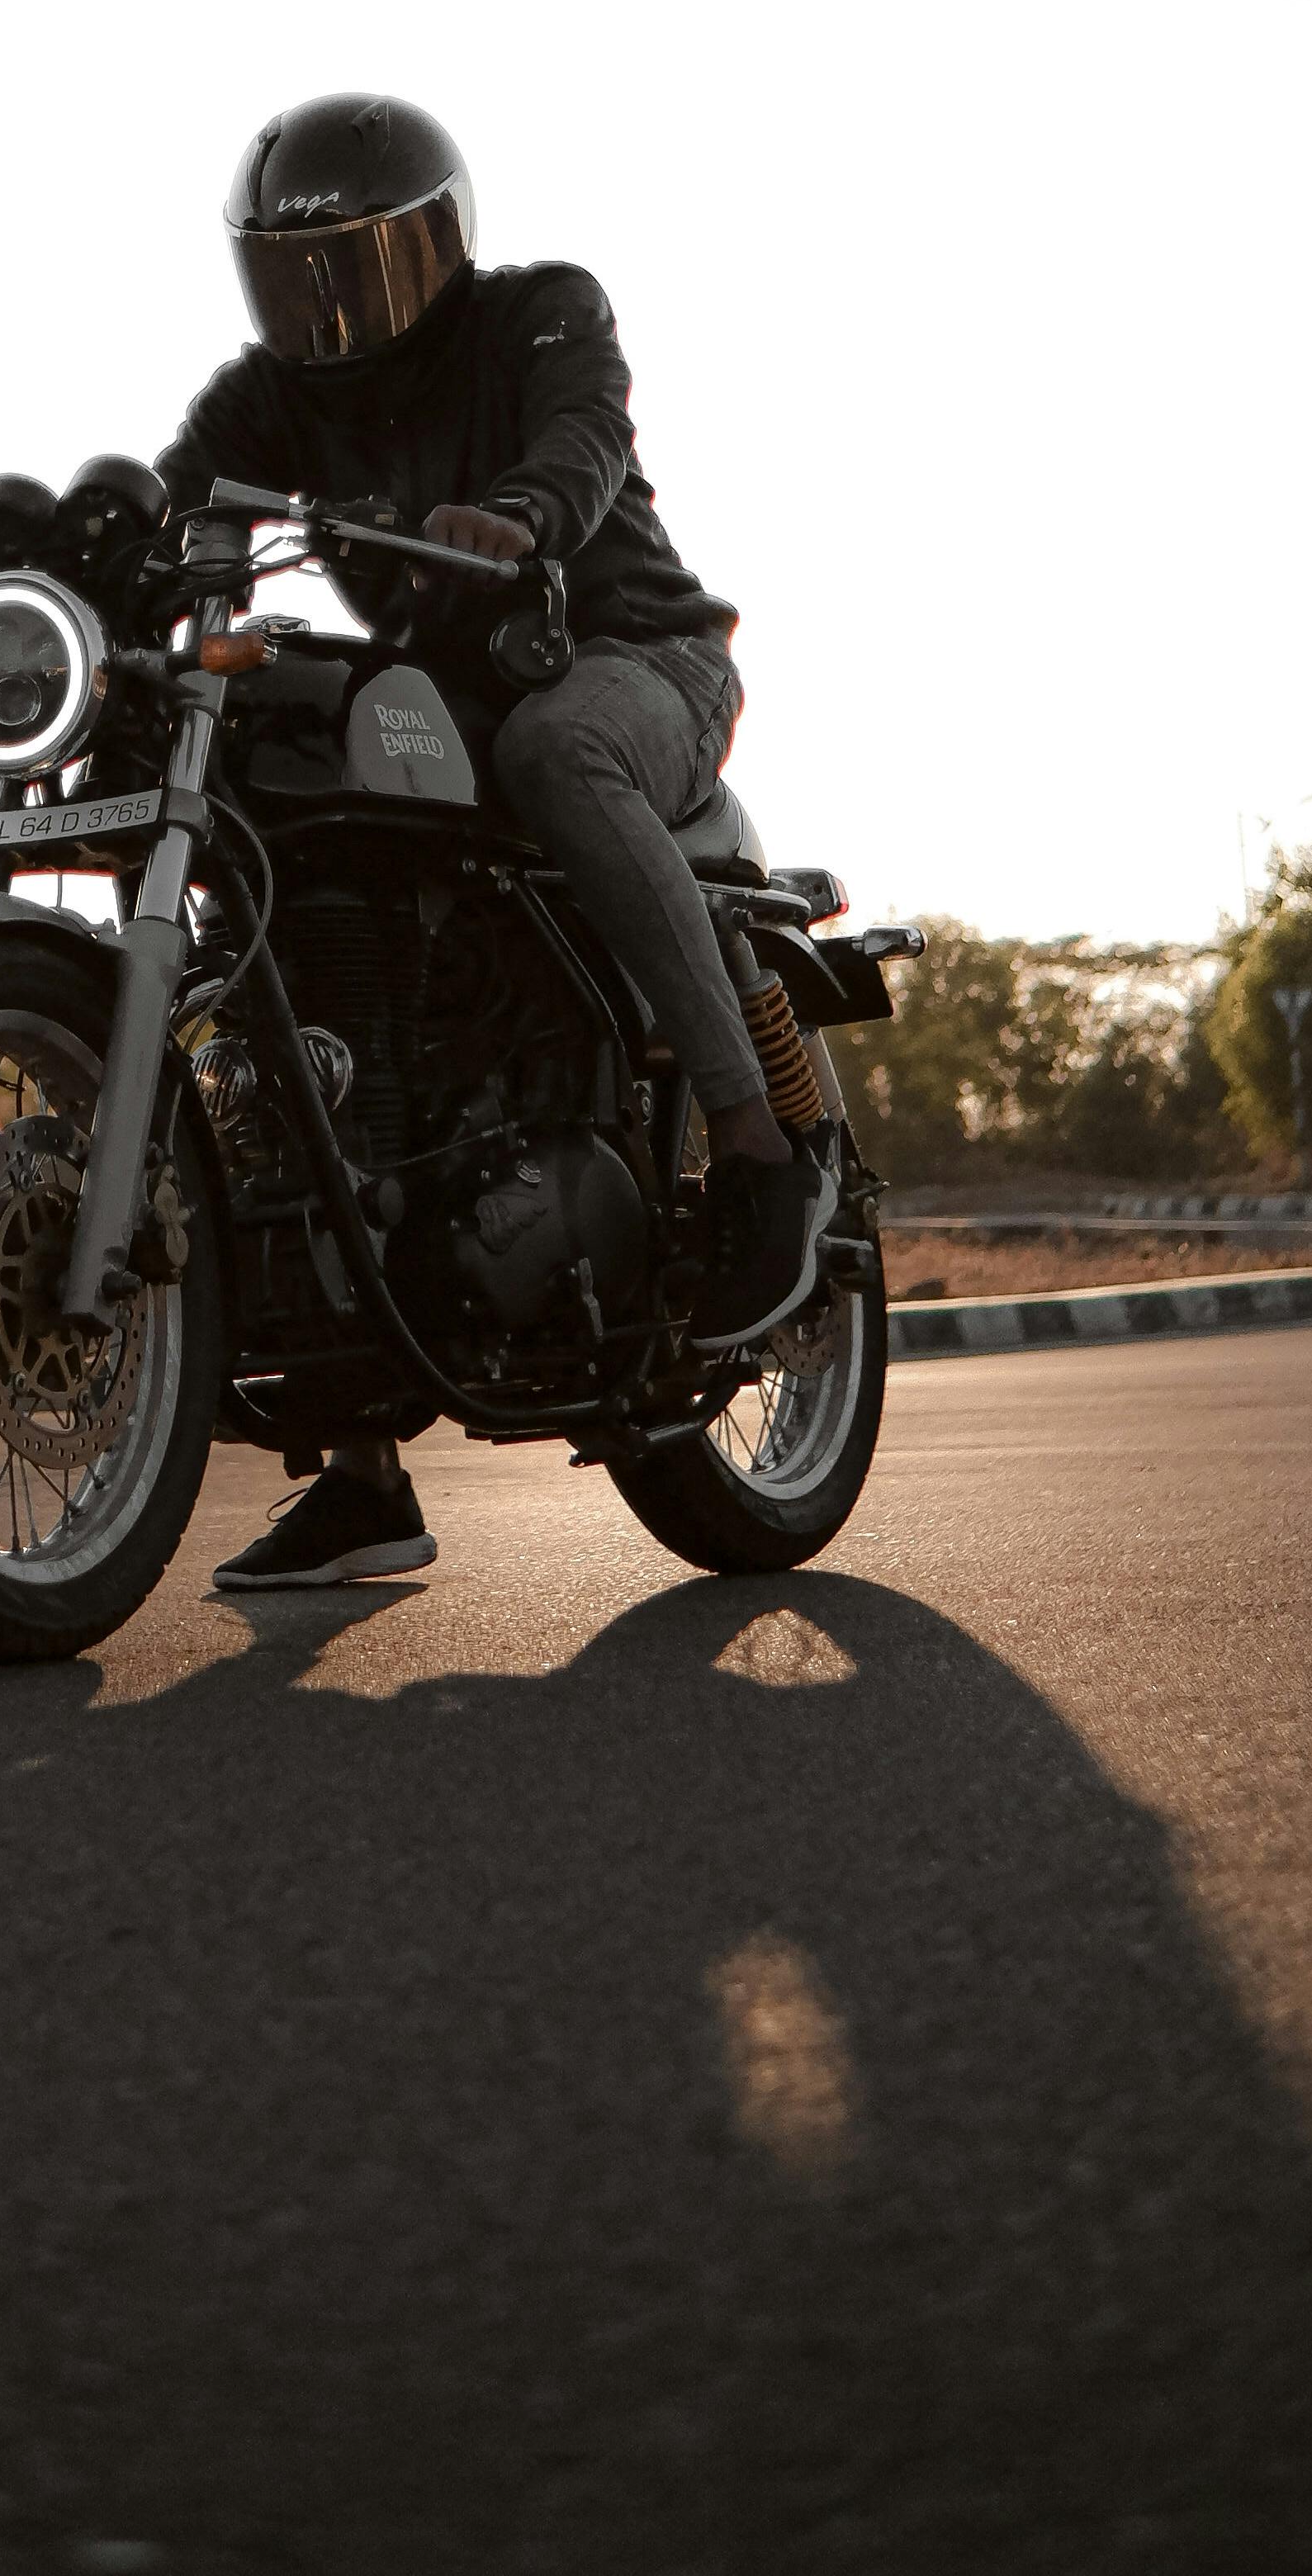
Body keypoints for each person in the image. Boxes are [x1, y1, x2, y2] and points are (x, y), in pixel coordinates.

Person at [165, 92, 828, 1596]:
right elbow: (167, 497)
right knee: (294, 883)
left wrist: (523, 513)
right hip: (443, 697)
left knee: (554, 749)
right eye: (296, 275)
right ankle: (358, 1468)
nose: (331, 308)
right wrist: (48, 555)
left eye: (365, 265)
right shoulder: (259, 401)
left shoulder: (540, 314)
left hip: (631, 659)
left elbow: (587, 434)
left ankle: (751, 1143)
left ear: (442, 245)